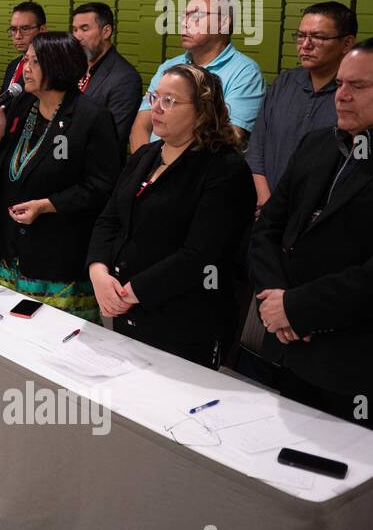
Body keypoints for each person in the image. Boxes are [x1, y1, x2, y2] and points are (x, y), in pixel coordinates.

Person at [250, 37, 373, 437]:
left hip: (365, 366)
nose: (341, 96)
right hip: (287, 346)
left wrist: (298, 307)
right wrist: (276, 300)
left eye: (358, 86)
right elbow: (269, 226)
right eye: (340, 84)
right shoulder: (318, 144)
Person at [88, 64, 255, 368]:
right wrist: (98, 272)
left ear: (203, 110)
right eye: (154, 97)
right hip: (128, 312)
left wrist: (133, 291)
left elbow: (201, 254)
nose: (156, 108)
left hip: (185, 323)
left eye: (170, 101)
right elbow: (109, 219)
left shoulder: (224, 169)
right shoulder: (145, 156)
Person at [0, 32, 120, 321]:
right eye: (26, 60)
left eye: (35, 62)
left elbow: (101, 188)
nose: (26, 69)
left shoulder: (91, 117)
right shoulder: (23, 108)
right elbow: (8, 174)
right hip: (10, 250)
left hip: (58, 255)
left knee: (54, 347)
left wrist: (48, 204)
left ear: (58, 66)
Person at [247, 1, 355, 213]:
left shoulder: (352, 95)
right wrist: (266, 201)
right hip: (266, 209)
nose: (306, 45)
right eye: (300, 35)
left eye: (319, 37)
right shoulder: (285, 83)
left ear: (347, 43)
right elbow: (257, 146)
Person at [130, 0, 265, 152]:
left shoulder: (245, 73)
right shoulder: (169, 67)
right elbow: (141, 126)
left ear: (223, 23)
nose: (184, 23)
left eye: (196, 16)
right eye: (184, 16)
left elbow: (228, 139)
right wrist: (144, 168)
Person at [70, 2, 143, 143]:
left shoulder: (125, 78)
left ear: (106, 32)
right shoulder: (72, 66)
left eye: (84, 29)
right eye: (75, 30)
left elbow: (112, 138)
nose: (77, 36)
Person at [0, 2, 46, 93]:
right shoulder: (13, 65)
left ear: (42, 30)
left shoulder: (49, 67)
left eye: (25, 29)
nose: (17, 36)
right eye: (13, 29)